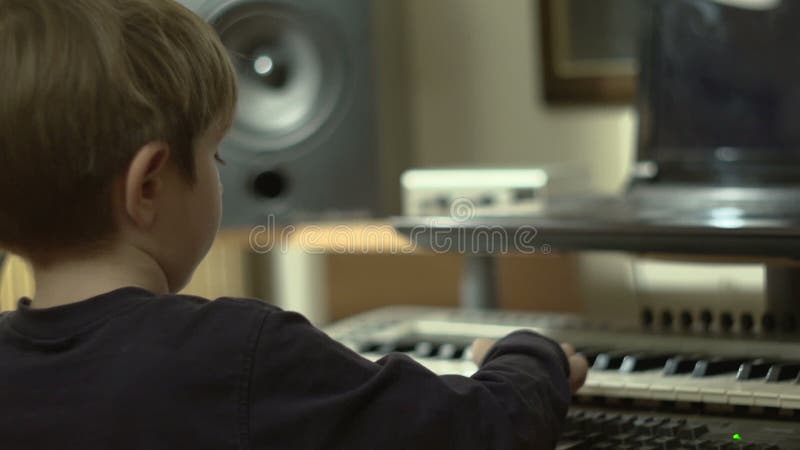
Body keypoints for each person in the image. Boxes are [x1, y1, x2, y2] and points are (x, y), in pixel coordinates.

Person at [0, 0, 589, 448]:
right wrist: (531, 355)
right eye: (216, 156)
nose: (222, 177)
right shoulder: (237, 353)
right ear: (149, 185)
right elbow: (482, 429)